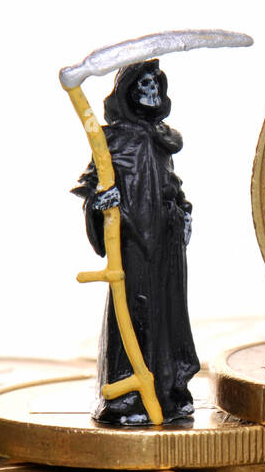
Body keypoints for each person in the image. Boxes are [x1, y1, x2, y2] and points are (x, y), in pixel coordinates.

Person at [72, 59, 197, 425]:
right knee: (134, 313)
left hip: (167, 240)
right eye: (143, 85)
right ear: (128, 93)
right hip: (133, 241)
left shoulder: (162, 138)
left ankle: (170, 391)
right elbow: (93, 184)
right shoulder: (111, 140)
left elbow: (171, 185)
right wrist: (101, 202)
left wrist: (185, 211)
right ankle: (126, 398)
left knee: (170, 315)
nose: (152, 91)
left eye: (156, 84)